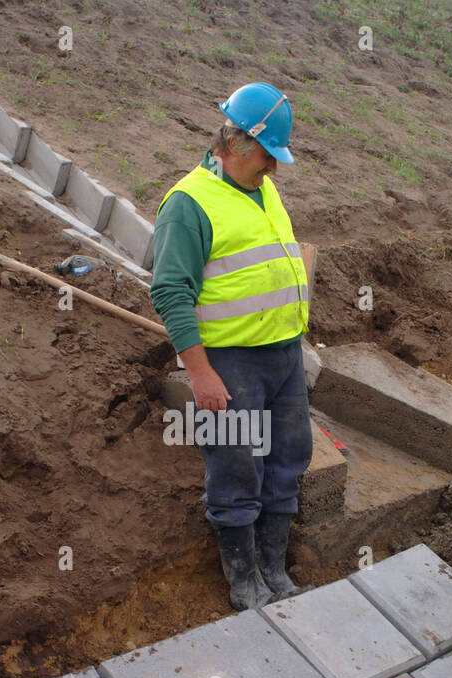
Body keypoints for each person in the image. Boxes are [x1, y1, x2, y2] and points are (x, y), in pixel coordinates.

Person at [150, 82, 312, 610]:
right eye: (269, 154)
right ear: (238, 141)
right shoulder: (189, 204)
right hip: (232, 362)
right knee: (238, 466)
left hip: (284, 356)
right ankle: (243, 579)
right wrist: (200, 373)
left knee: (287, 459)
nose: (274, 166)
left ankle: (272, 565)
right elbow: (170, 291)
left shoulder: (262, 188)